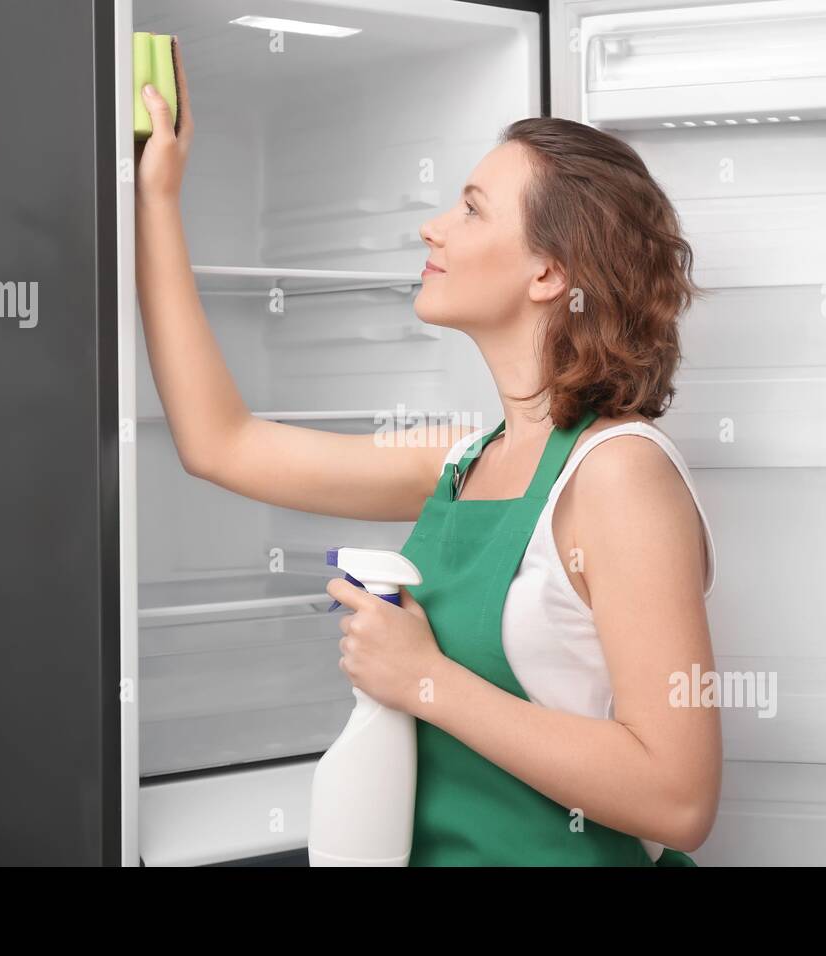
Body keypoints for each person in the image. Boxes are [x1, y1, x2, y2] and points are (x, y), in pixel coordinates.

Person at [136, 38, 721, 866]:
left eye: (473, 209)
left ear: (550, 273)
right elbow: (220, 443)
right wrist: (156, 198)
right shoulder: (462, 459)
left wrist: (424, 680)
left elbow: (679, 796)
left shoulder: (620, 475)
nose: (432, 225)